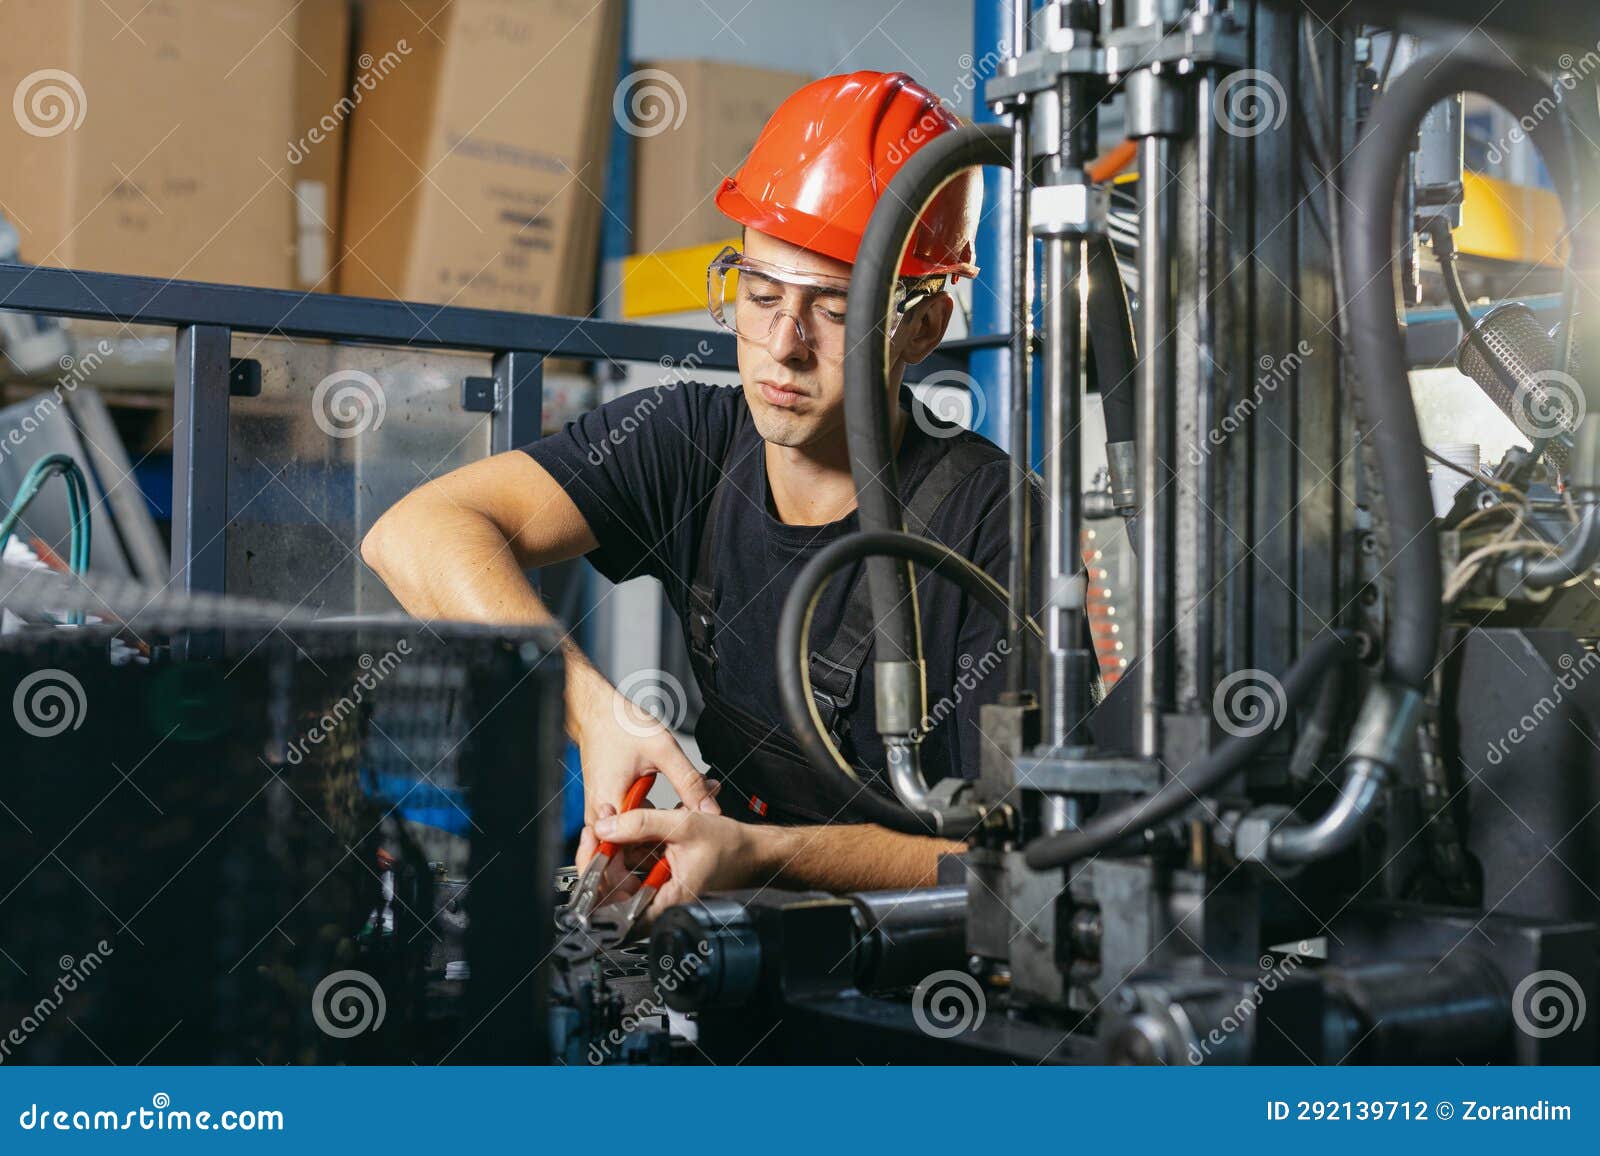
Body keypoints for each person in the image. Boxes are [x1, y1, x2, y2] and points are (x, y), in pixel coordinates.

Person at [362, 70, 1029, 922]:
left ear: (923, 326)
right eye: (760, 295)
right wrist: (594, 714)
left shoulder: (995, 526)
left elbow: (1016, 872)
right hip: (732, 950)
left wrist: (768, 857)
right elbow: (413, 532)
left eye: (832, 309)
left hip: (912, 1003)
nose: (784, 348)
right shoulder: (690, 439)